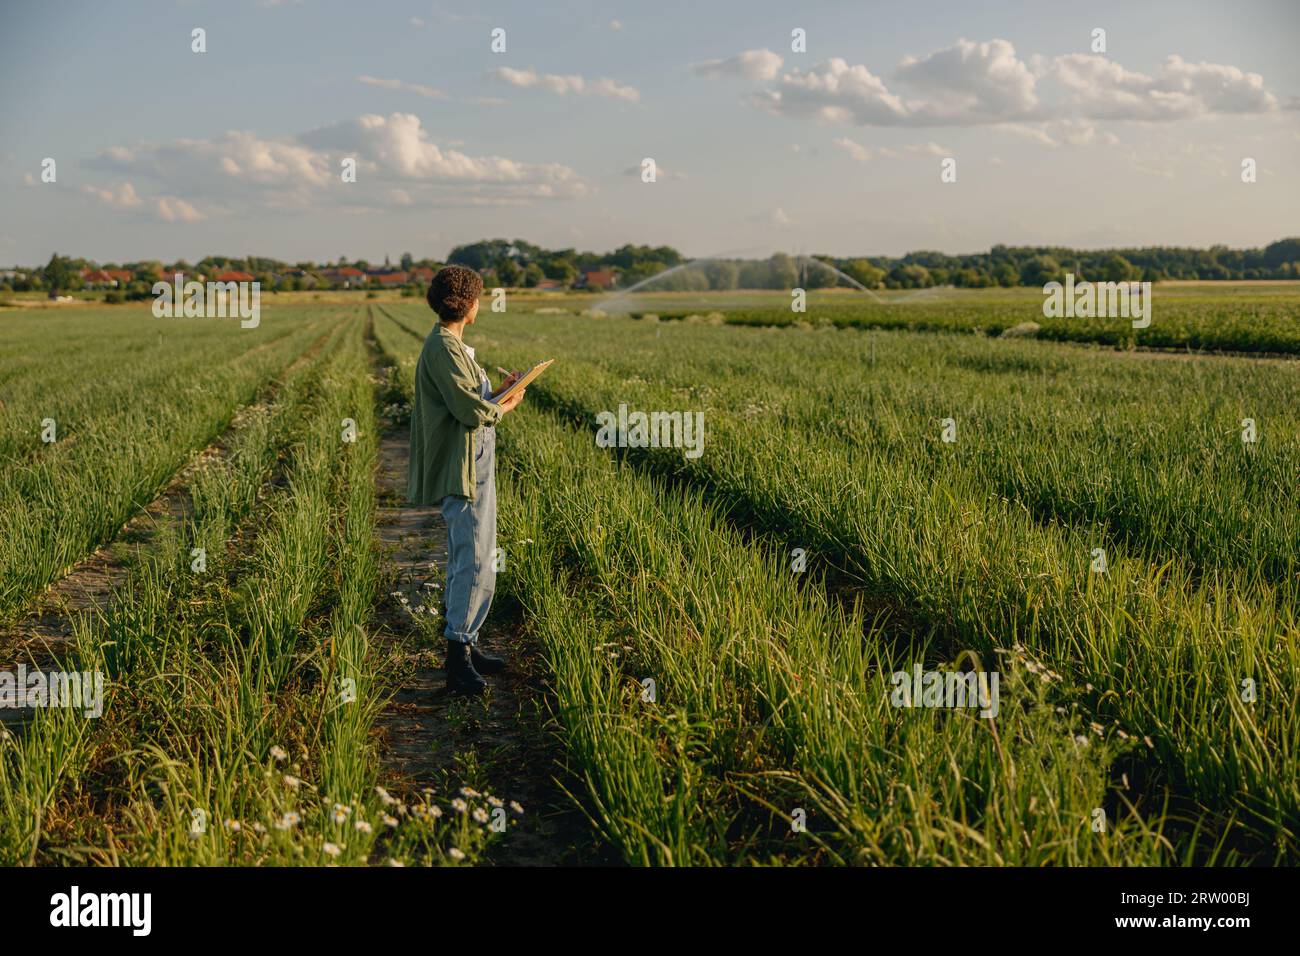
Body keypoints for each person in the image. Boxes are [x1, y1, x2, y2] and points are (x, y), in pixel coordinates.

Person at [407, 265, 526, 695]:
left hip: (474, 460)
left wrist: (499, 393)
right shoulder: (442, 347)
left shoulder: (452, 345)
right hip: (462, 466)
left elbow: (473, 401)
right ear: (469, 303)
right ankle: (457, 658)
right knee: (472, 559)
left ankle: (469, 642)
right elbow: (470, 411)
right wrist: (505, 405)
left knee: (481, 554)